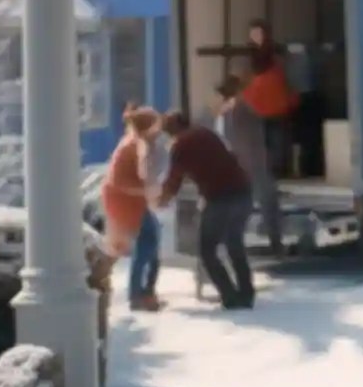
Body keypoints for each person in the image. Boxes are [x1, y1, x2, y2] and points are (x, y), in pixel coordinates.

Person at [156, 109, 257, 310]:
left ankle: (230, 296)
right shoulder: (206, 133)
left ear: (173, 129)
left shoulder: (180, 146)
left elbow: (174, 180)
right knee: (234, 244)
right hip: (243, 192)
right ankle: (246, 293)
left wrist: (161, 199)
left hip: (220, 199)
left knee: (207, 250)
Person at [214, 76, 285, 257]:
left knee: (239, 207)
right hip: (253, 164)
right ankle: (276, 244)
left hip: (236, 164)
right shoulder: (243, 108)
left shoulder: (223, 113)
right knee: (269, 203)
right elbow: (254, 137)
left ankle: (230, 244)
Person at [100, 105, 162, 269]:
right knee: (146, 242)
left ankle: (142, 288)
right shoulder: (134, 145)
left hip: (125, 199)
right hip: (123, 199)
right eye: (156, 126)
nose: (158, 131)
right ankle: (139, 290)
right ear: (148, 127)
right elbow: (120, 181)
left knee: (146, 241)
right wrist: (146, 191)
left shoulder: (132, 142)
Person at [239, 19, 298, 178]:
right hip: (256, 107)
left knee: (277, 141)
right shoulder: (247, 57)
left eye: (258, 33)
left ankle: (276, 172)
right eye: (253, 34)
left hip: (276, 106)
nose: (255, 37)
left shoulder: (277, 55)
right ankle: (264, 172)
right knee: (259, 142)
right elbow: (242, 81)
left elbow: (288, 78)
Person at [129, 101, 170, 312]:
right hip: (139, 203)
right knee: (147, 250)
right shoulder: (140, 147)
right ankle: (139, 295)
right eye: (155, 123)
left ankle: (145, 293)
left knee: (150, 251)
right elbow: (146, 176)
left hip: (143, 203)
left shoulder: (148, 145)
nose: (159, 128)